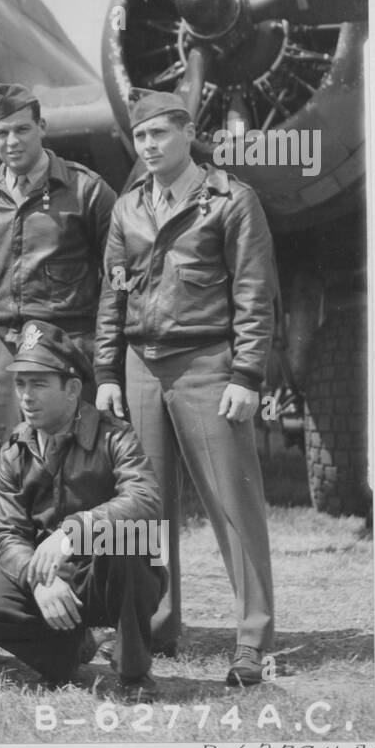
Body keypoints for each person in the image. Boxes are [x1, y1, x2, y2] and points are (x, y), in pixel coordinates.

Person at [95, 90, 277, 686]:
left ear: (188, 133)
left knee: (233, 503)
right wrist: (105, 374)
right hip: (141, 365)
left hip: (207, 363)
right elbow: (112, 296)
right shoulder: (126, 211)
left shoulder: (232, 200)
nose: (148, 146)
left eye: (160, 135)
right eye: (140, 137)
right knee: (147, 506)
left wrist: (247, 374)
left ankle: (252, 637)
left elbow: (255, 293)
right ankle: (158, 622)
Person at [0, 320, 165, 698]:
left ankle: (134, 671)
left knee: (136, 540)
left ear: (72, 389)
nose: (25, 396)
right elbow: (7, 534)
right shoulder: (14, 451)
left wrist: (74, 531)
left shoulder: (114, 434)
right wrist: (39, 581)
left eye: (38, 383)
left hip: (105, 572)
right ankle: (68, 654)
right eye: (20, 383)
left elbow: (146, 498)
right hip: (53, 573)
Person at [0, 83, 116, 494]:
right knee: (3, 455)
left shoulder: (87, 190)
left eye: (22, 129)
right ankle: (11, 551)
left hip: (67, 340)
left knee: (77, 458)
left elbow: (117, 275)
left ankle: (77, 552)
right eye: (2, 133)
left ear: (42, 127)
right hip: (1, 339)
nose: (12, 141)